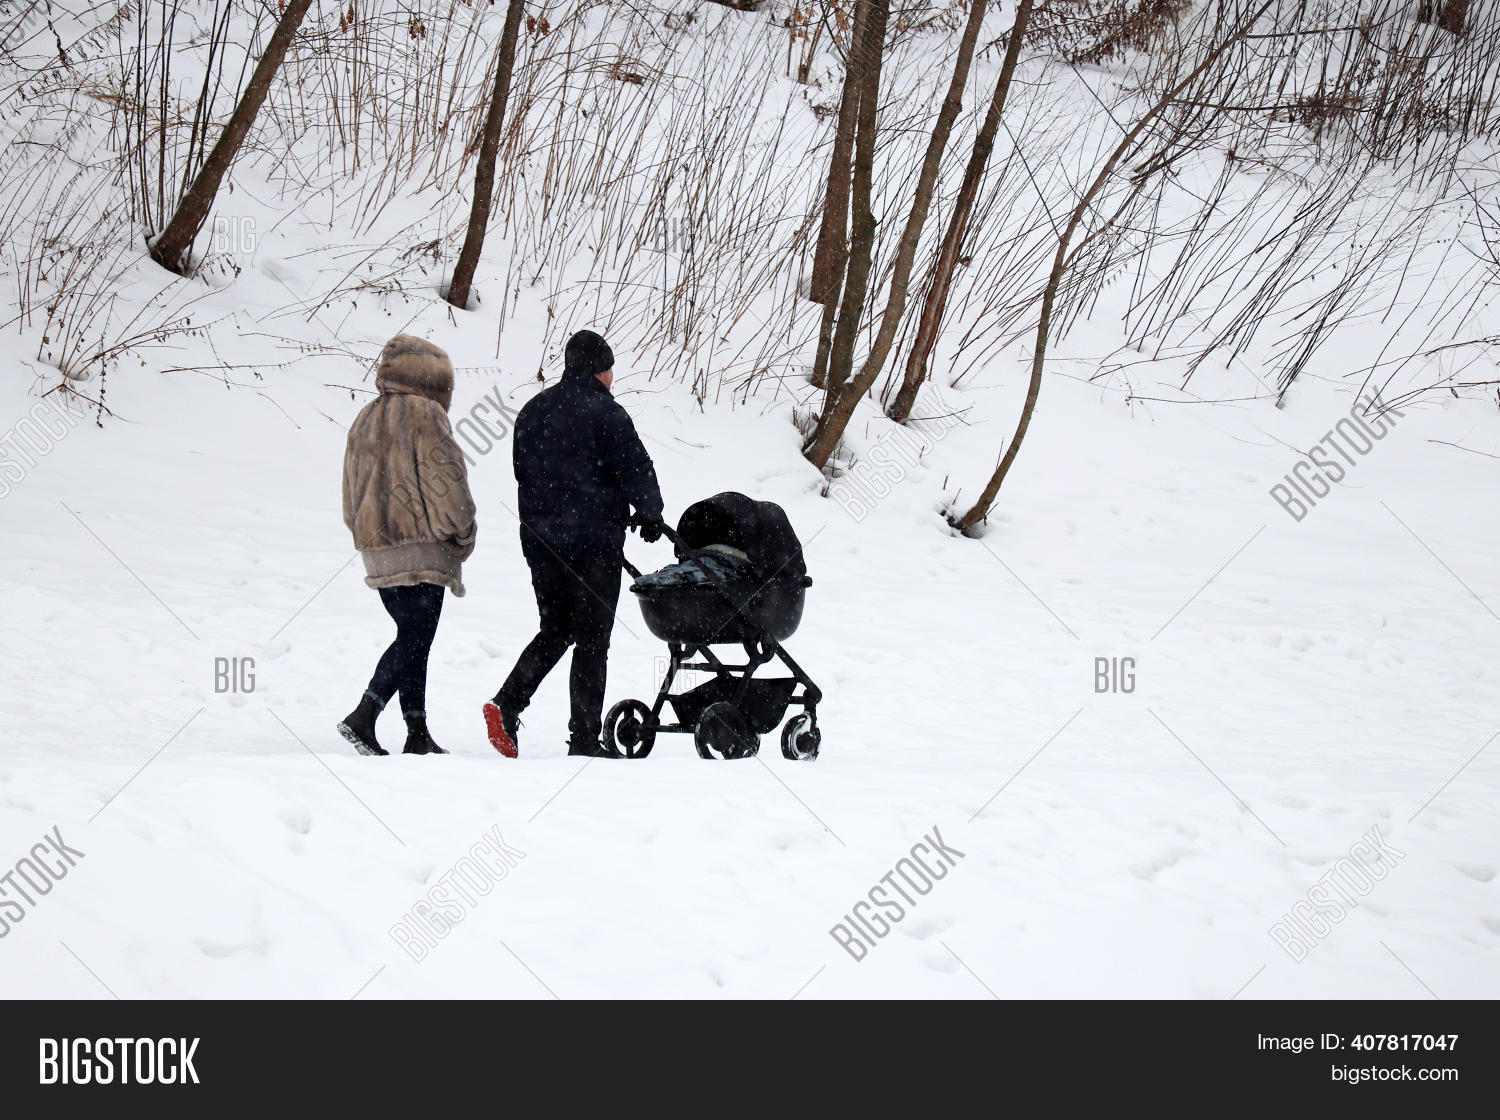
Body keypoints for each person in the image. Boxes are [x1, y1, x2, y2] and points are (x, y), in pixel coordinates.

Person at [484, 330, 664, 758]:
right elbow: (635, 467)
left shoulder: (532, 411)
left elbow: (521, 472)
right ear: (600, 369)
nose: (612, 377)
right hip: (593, 544)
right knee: (592, 640)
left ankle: (508, 703)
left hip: (541, 542)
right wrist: (651, 513)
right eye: (610, 368)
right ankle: (583, 741)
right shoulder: (607, 413)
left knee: (556, 627)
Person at [337, 335, 477, 756]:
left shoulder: (364, 417)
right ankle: (364, 714)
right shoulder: (426, 415)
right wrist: (463, 532)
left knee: (413, 636)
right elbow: (448, 486)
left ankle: (417, 732)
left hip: (377, 548)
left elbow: (350, 491)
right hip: (422, 548)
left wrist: (365, 532)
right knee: (416, 638)